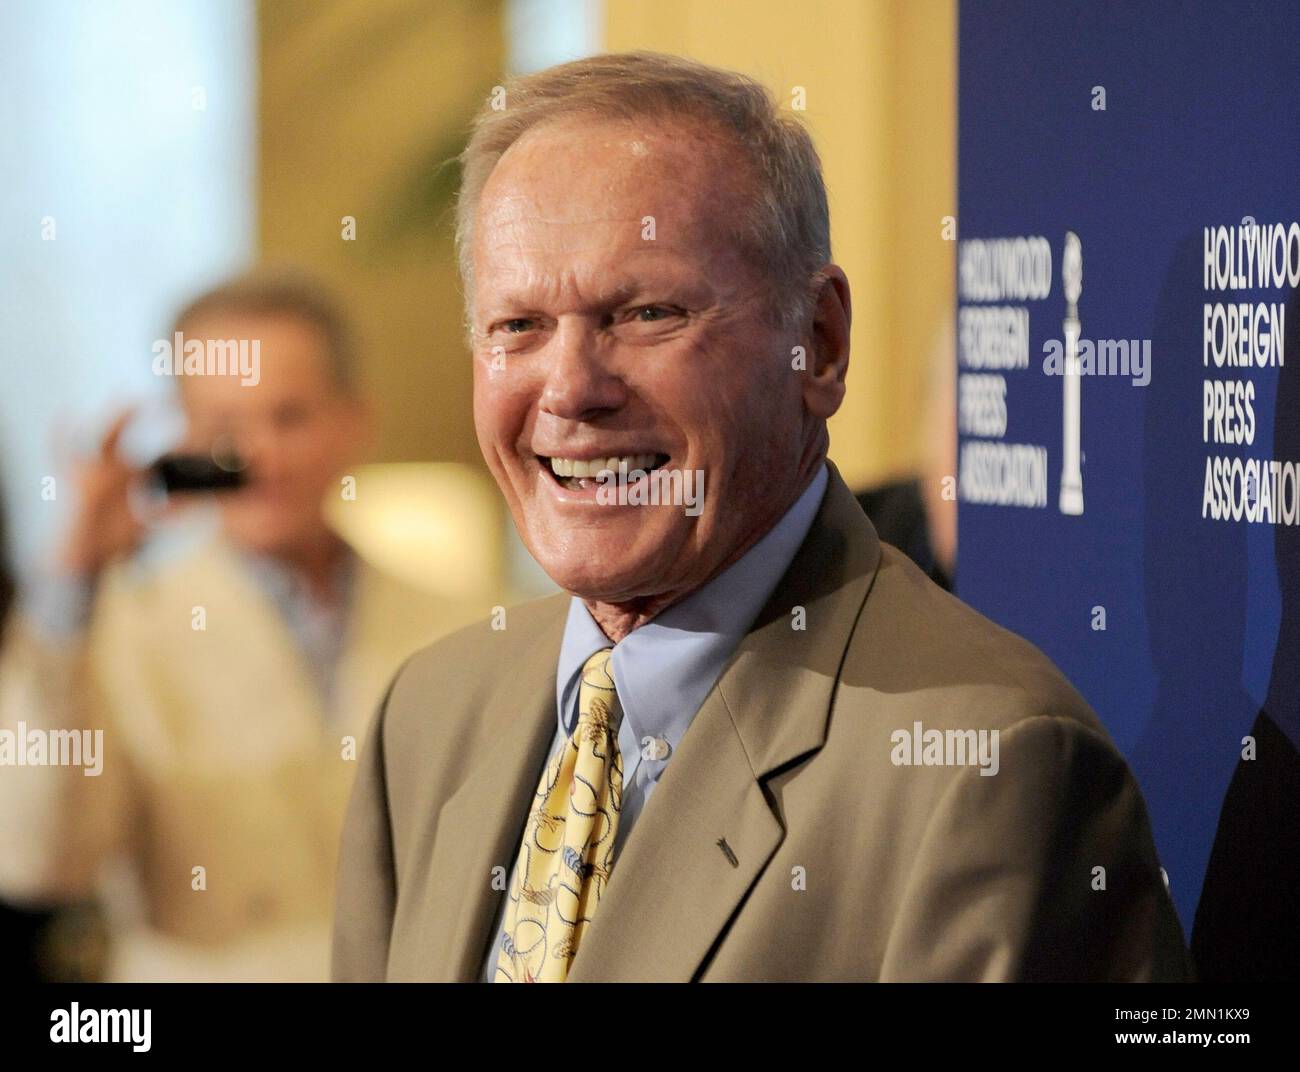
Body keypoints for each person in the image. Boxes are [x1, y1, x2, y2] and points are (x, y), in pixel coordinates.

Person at [332, 52, 1190, 982]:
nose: (572, 388)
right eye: (517, 327)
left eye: (647, 312)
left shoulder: (990, 768)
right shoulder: (425, 715)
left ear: (817, 344)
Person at [0, 268, 479, 981]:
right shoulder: (117, 630)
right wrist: (72, 585)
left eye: (289, 417)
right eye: (224, 427)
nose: (260, 455)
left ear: (355, 422)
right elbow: (37, 860)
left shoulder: (463, 625)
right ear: (184, 438)